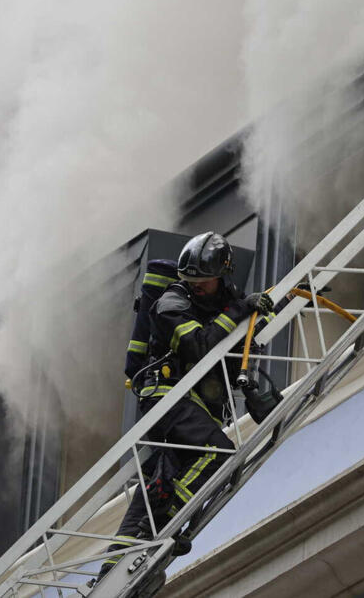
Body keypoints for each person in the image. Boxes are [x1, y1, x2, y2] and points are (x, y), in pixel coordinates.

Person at [97, 231, 273, 582]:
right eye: (191, 281)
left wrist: (258, 319)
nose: (197, 287)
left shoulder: (227, 299)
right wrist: (240, 311)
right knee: (216, 453)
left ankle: (111, 567)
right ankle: (164, 523)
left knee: (159, 478)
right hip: (167, 396)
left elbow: (236, 352)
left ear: (221, 275)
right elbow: (199, 346)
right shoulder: (171, 303)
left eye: (203, 282)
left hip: (195, 405)